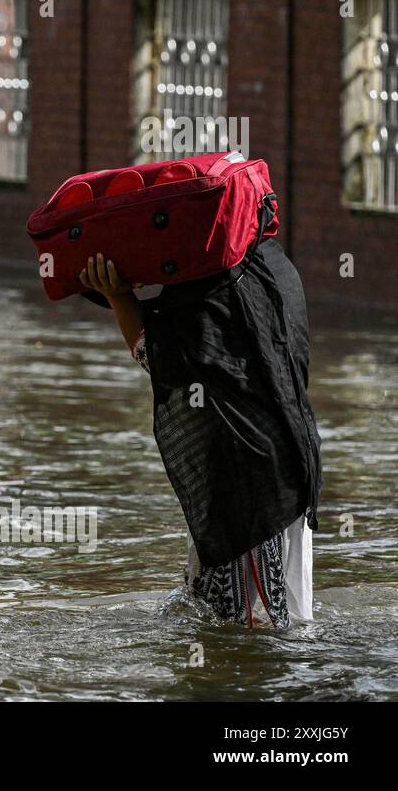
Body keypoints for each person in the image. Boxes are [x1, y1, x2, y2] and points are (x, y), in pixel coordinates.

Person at [80, 220, 323, 630]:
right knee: (290, 623)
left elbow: (156, 357)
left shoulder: (202, 286)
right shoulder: (275, 268)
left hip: (241, 487)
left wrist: (118, 295)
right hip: (295, 470)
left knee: (239, 627)